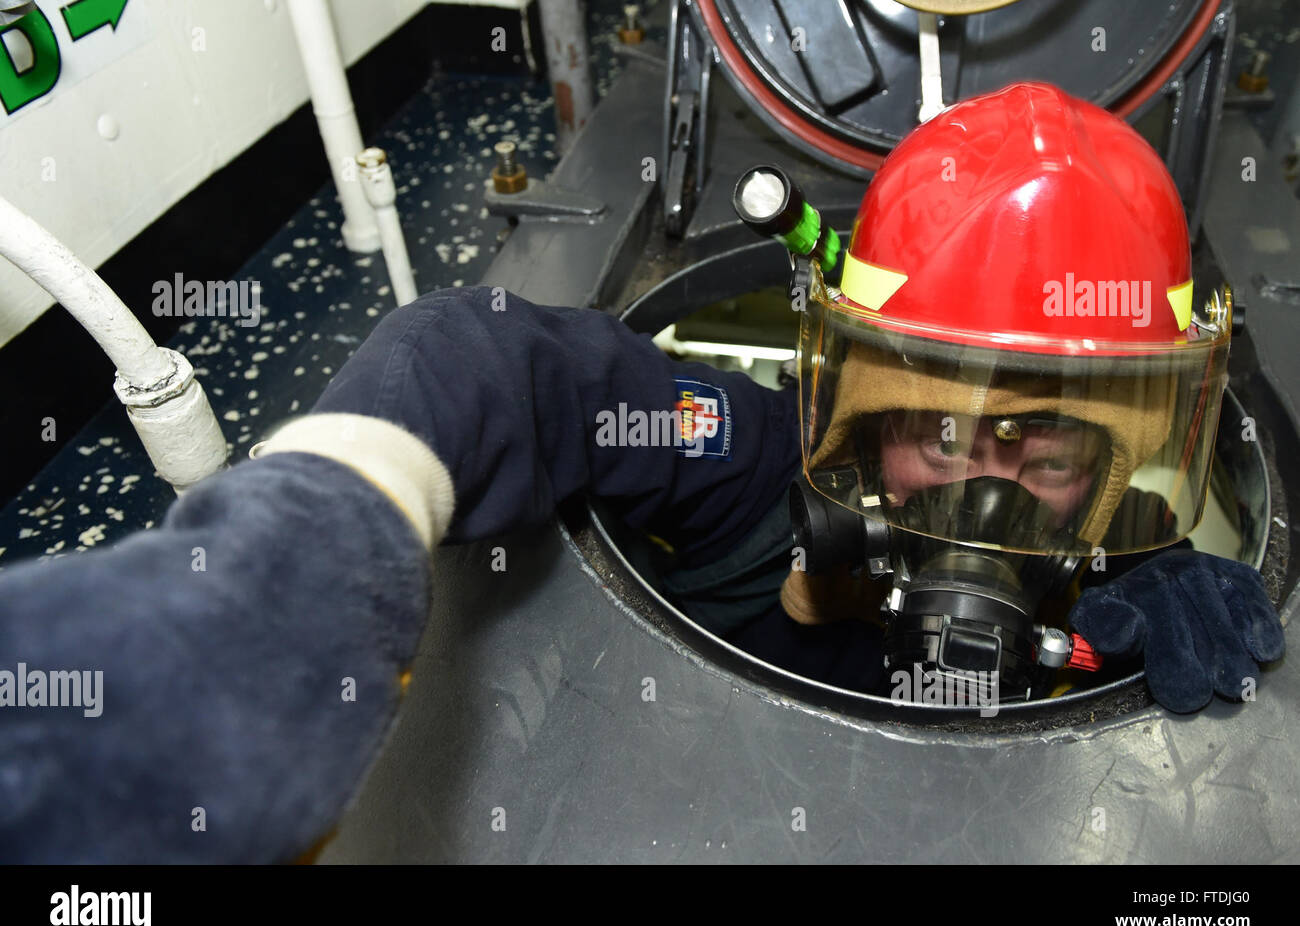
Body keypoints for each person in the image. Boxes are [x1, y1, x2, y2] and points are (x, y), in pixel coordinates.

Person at [0, 82, 1282, 862]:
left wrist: (1141, 600)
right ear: (852, 402)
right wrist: (292, 559)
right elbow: (488, 359)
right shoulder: (739, 457)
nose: (985, 489)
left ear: (1127, 454)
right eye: (941, 432)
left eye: (1047, 449)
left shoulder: (1123, 575)